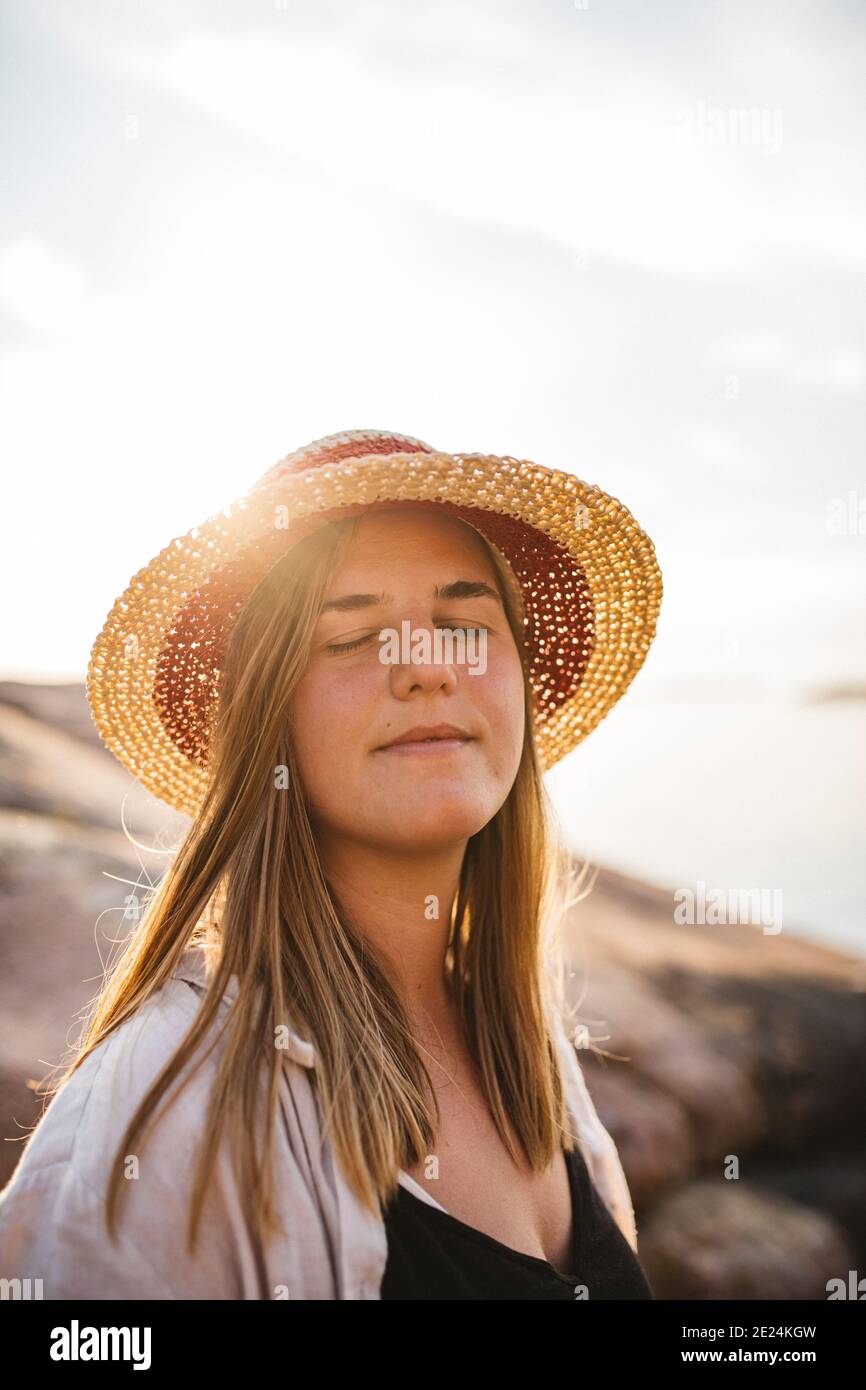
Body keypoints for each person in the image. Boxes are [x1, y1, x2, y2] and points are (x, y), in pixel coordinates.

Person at [0, 429, 662, 1299]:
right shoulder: (167, 1115)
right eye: (351, 639)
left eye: (466, 626)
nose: (427, 669)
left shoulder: (530, 1055)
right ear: (263, 712)